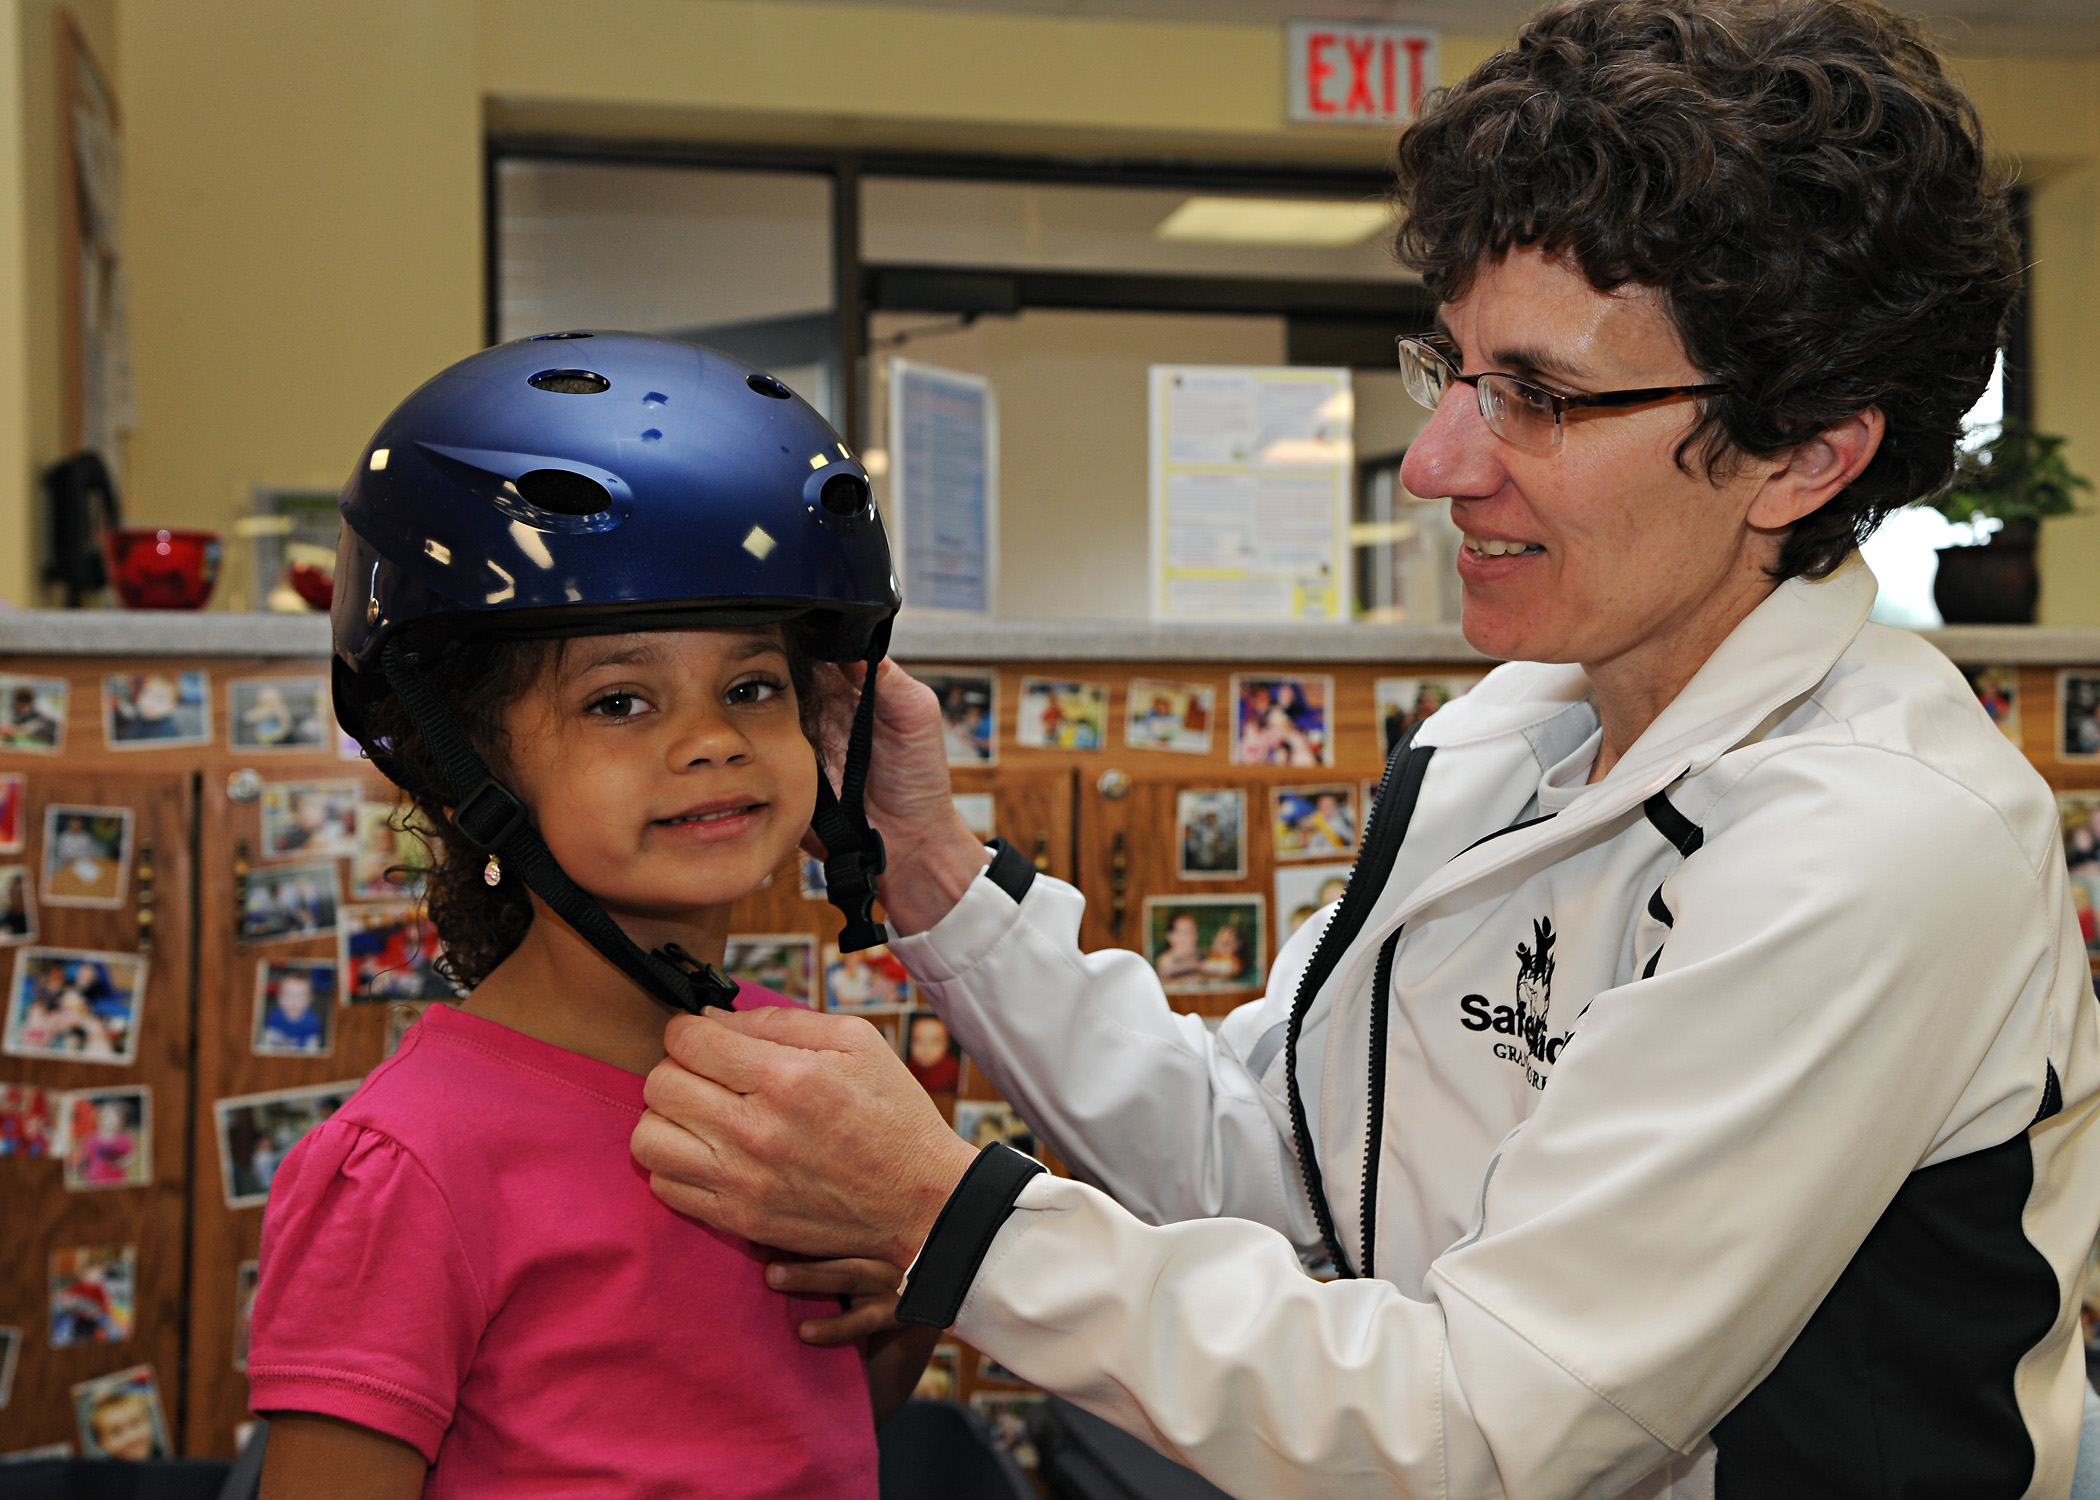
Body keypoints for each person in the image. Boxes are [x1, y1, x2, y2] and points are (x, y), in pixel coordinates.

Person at [629, 5, 2100, 1497]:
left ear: (1804, 454)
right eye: (1451, 370)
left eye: (1538, 396)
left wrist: (955, 1223)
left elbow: (1494, 1425)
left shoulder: (1870, 847)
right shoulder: (1502, 741)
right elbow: (1274, 1172)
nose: (1439, 463)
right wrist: (937, 869)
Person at [247, 333, 923, 1498]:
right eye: (621, 699)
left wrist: (913, 1291)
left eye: (752, 687)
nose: (710, 738)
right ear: (474, 768)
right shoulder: (407, 1167)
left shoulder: (811, 1079)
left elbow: (807, 1425)